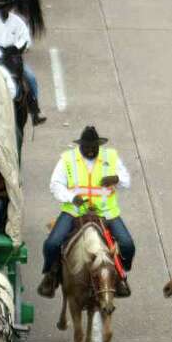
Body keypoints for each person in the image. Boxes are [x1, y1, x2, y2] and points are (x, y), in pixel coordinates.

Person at [37, 125, 133, 299]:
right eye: (86, 148)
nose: (90, 151)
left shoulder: (110, 157)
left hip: (106, 213)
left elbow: (126, 180)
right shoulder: (67, 159)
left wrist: (116, 178)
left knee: (127, 245)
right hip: (75, 211)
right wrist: (71, 197)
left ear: (99, 145)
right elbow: (56, 184)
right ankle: (50, 277)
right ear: (80, 146)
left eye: (94, 148)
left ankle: (120, 278)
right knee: (51, 244)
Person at [0, 0, 39, 114]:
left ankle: (35, 109)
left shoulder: (18, 22)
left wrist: (15, 47)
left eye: (6, 7)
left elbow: (26, 40)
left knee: (30, 77)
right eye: (1, 8)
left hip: (11, 60)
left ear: (10, 8)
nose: (3, 10)